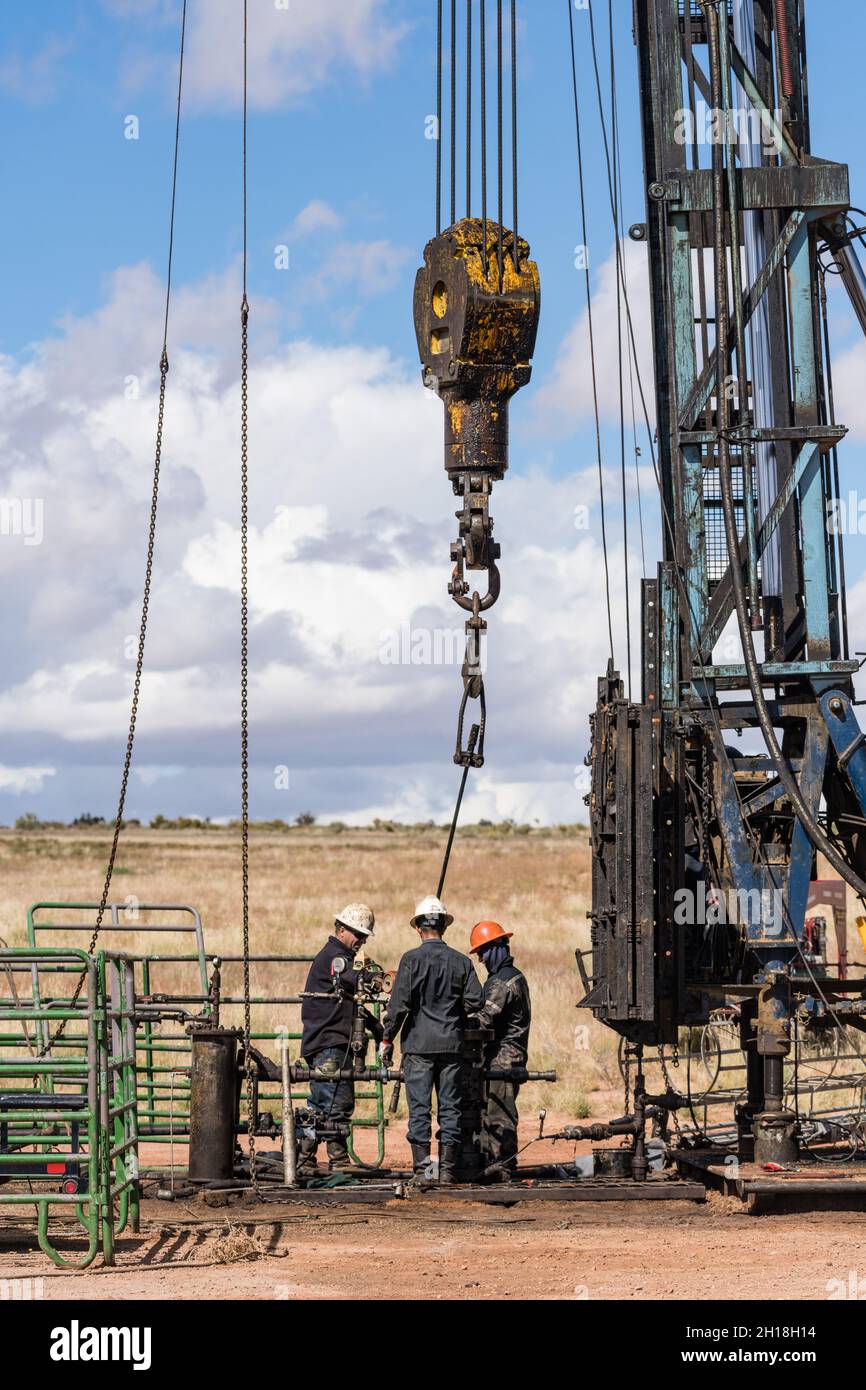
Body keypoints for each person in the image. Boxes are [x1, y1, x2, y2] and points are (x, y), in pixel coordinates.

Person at [380, 895, 482, 1185]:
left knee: (420, 1110)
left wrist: (387, 1039)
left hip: (419, 1047)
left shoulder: (411, 960)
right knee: (450, 1108)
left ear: (418, 928)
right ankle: (448, 1172)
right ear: (444, 927)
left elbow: (398, 1005)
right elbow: (476, 1000)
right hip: (451, 1047)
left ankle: (424, 1173)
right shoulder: (461, 962)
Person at [298, 902, 375, 1174]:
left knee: (320, 1104)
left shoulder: (338, 955)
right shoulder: (335, 957)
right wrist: (375, 977)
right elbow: (357, 981)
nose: (361, 940)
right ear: (341, 930)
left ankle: (305, 1160)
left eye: (364, 936)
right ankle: (338, 1163)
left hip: (327, 1042)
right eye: (358, 934)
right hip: (329, 1043)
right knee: (335, 1104)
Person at [468, 921, 531, 1180]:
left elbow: (483, 1019)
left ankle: (503, 1167)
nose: (481, 959)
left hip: (502, 1062)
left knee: (499, 1116)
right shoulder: (508, 976)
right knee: (490, 1114)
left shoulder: (502, 982)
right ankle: (492, 1165)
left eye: (483, 952)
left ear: (497, 947)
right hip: (504, 1059)